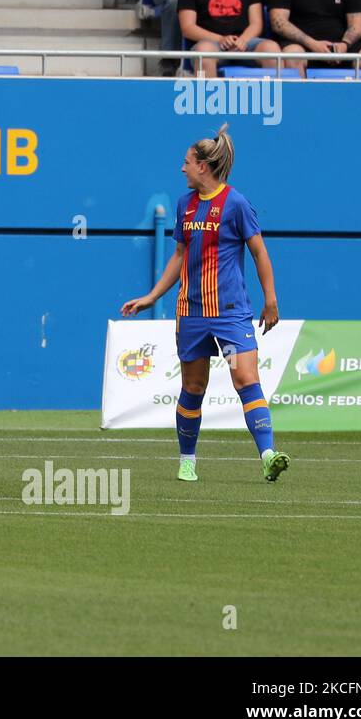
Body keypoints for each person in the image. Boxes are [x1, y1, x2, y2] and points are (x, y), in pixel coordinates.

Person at [121, 126, 289, 485]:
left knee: (245, 378)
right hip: (193, 313)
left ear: (203, 166)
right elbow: (179, 255)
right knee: (194, 388)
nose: (181, 169)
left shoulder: (237, 203)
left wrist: (270, 299)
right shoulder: (185, 204)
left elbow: (259, 252)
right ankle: (187, 460)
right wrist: (152, 296)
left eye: (186, 162)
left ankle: (268, 455)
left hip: (230, 313)